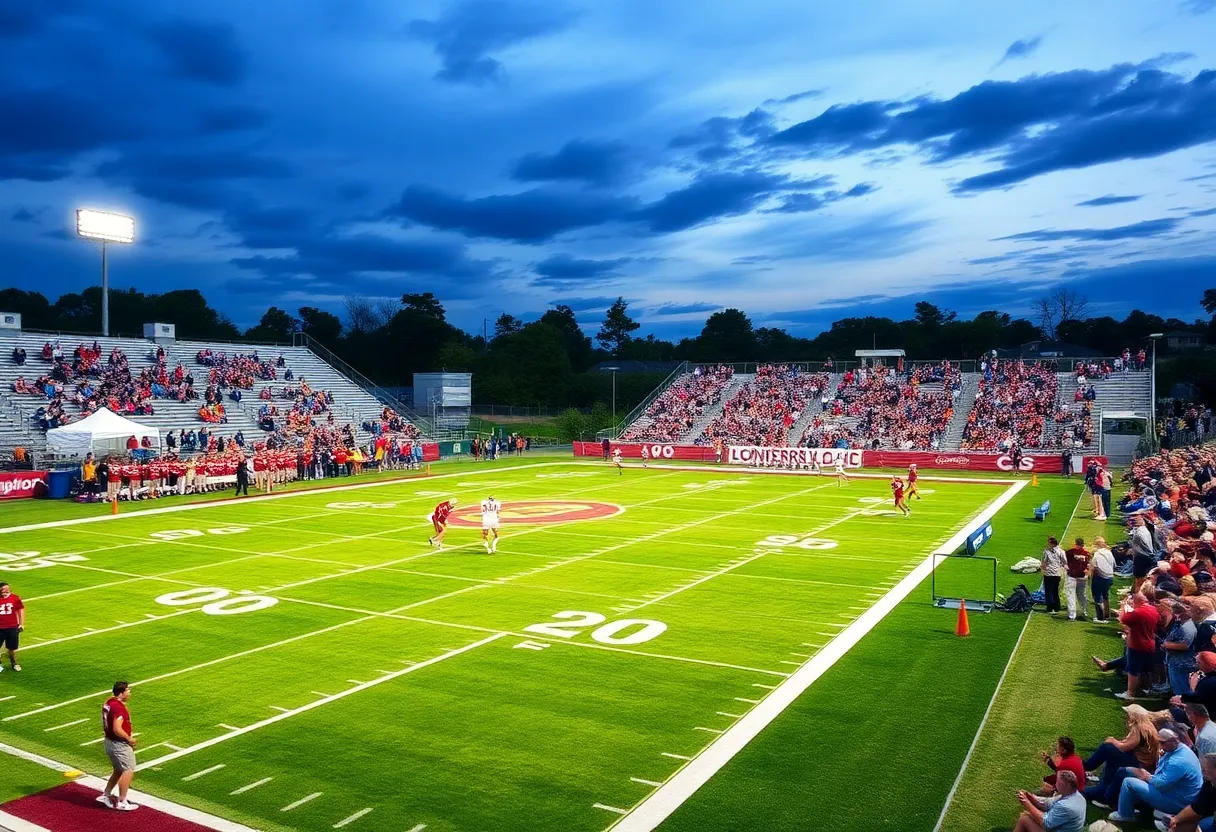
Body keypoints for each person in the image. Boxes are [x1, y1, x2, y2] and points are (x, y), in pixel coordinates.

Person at [1111, 727, 1202, 823]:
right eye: (1159, 742)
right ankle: (1126, 804)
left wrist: (1146, 777)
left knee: (1128, 782)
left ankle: (1125, 815)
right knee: (1129, 771)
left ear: (1173, 740)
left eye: (1163, 743)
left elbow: (1160, 784)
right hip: (1177, 794)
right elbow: (1162, 773)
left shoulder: (1178, 762)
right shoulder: (1180, 748)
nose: (1161, 746)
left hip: (1177, 803)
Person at [100, 681, 139, 811]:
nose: (130, 693)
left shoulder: (109, 702)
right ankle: (122, 800)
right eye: (128, 690)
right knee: (128, 769)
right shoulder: (119, 708)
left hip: (109, 742)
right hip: (119, 744)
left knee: (118, 769)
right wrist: (129, 739)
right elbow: (117, 728)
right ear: (121, 692)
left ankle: (106, 794)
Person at [1119, 592, 1162, 701]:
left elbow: (1122, 619)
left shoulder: (1138, 612)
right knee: (1146, 669)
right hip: (1150, 643)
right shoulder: (1153, 609)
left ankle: (1130, 693)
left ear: (1136, 601)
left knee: (1132, 671)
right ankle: (1146, 689)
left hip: (1137, 644)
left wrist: (1124, 606)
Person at [1015, 769, 1086, 832]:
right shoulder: (1075, 796)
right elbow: (1048, 804)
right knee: (1029, 815)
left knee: (1024, 819)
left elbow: (1046, 824)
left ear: (1064, 786)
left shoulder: (1066, 806)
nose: (1055, 784)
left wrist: (1026, 802)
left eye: (1058, 782)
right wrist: (1032, 798)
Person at [1165, 751, 1216, 832]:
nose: (1203, 771)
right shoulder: (1209, 784)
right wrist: (1175, 820)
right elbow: (1196, 808)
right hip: (1211, 820)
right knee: (1184, 824)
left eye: (1206, 768)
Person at [1064, 537, 1091, 622]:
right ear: (1083, 544)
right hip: (1082, 577)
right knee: (1082, 595)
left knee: (1070, 595)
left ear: (1075, 543)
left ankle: (1072, 615)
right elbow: (1088, 565)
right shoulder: (1087, 553)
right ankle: (1084, 612)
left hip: (1072, 576)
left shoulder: (1070, 552)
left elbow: (1063, 560)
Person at [0, 582, 24, 673]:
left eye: (7, 589)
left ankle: (14, 663)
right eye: (3, 590)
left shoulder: (14, 598)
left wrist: (21, 623)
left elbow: (20, 609)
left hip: (12, 627)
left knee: (12, 648)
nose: (6, 591)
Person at [1092, 537, 1116, 623]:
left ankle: (1101, 618)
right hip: (1110, 577)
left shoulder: (1097, 554)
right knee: (1106, 595)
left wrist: (1091, 578)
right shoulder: (1109, 553)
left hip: (1100, 578)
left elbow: (1094, 567)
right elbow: (1114, 564)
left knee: (1098, 597)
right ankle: (1107, 614)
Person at [1042, 537, 1067, 615]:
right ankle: (1056, 607)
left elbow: (1044, 562)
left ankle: (1050, 608)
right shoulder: (1061, 551)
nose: (1048, 545)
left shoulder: (1046, 552)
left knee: (1048, 591)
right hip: (1057, 573)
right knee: (1055, 590)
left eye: (1049, 543)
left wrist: (1044, 570)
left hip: (1049, 574)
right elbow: (1065, 562)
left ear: (1052, 544)